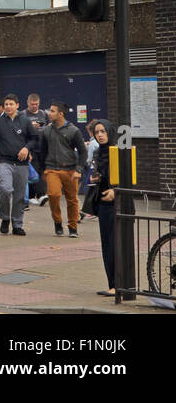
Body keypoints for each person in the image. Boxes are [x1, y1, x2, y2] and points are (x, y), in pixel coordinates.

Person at [0, 93, 33, 236]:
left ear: (17, 105)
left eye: (11, 104)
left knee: (20, 196)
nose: (8, 107)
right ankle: (5, 217)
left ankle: (17, 224)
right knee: (5, 189)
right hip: (4, 162)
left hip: (22, 165)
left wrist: (27, 148)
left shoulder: (25, 121)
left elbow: (34, 139)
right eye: (6, 104)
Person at [42, 100, 88, 238]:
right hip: (52, 169)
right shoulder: (47, 130)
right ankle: (57, 222)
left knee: (72, 199)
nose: (49, 113)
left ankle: (73, 227)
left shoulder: (73, 131)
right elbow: (42, 151)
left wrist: (78, 169)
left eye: (52, 111)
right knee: (53, 195)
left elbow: (82, 151)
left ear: (61, 114)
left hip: (70, 170)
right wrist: (43, 169)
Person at [90, 119, 118, 296]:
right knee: (106, 244)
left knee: (115, 244)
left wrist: (115, 191)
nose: (99, 135)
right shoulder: (99, 153)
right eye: (96, 132)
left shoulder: (117, 153)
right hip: (102, 204)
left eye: (103, 131)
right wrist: (95, 179)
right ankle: (112, 284)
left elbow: (128, 179)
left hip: (116, 205)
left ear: (110, 132)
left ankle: (118, 284)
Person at [24, 93, 50, 204]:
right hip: (31, 148)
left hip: (42, 147)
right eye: (32, 104)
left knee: (42, 171)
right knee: (33, 172)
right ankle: (36, 195)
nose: (34, 106)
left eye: (36, 104)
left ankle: (39, 196)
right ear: (28, 103)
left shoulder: (44, 114)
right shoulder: (23, 115)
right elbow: (20, 132)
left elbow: (49, 126)